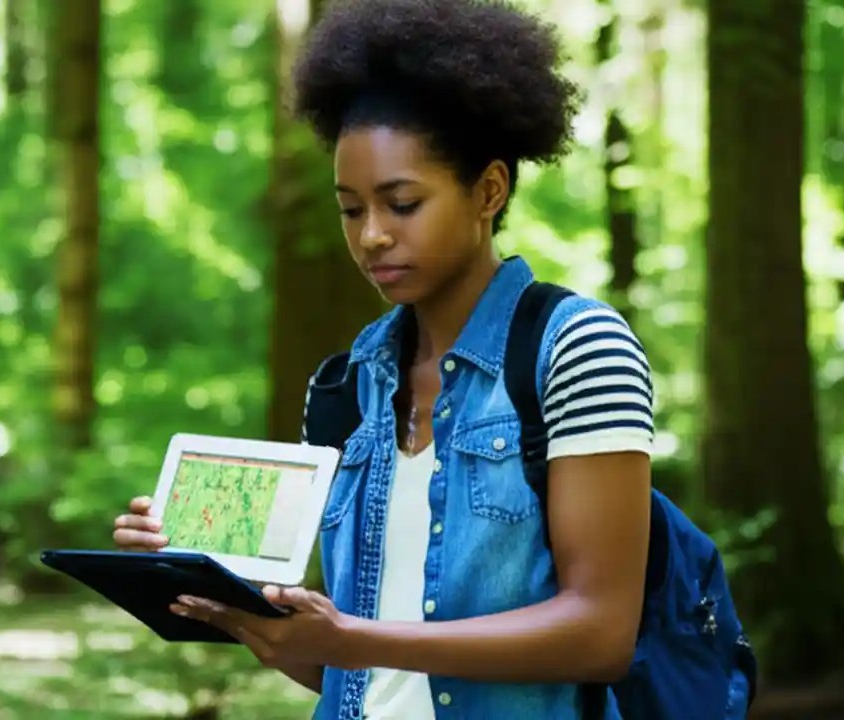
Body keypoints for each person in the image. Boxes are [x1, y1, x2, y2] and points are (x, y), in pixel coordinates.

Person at [114, 0, 655, 717]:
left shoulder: (576, 348)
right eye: (350, 208)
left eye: (402, 203)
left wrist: (358, 640)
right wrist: (221, 597)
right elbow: (350, 668)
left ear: (488, 191)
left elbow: (601, 633)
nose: (371, 236)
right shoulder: (343, 388)